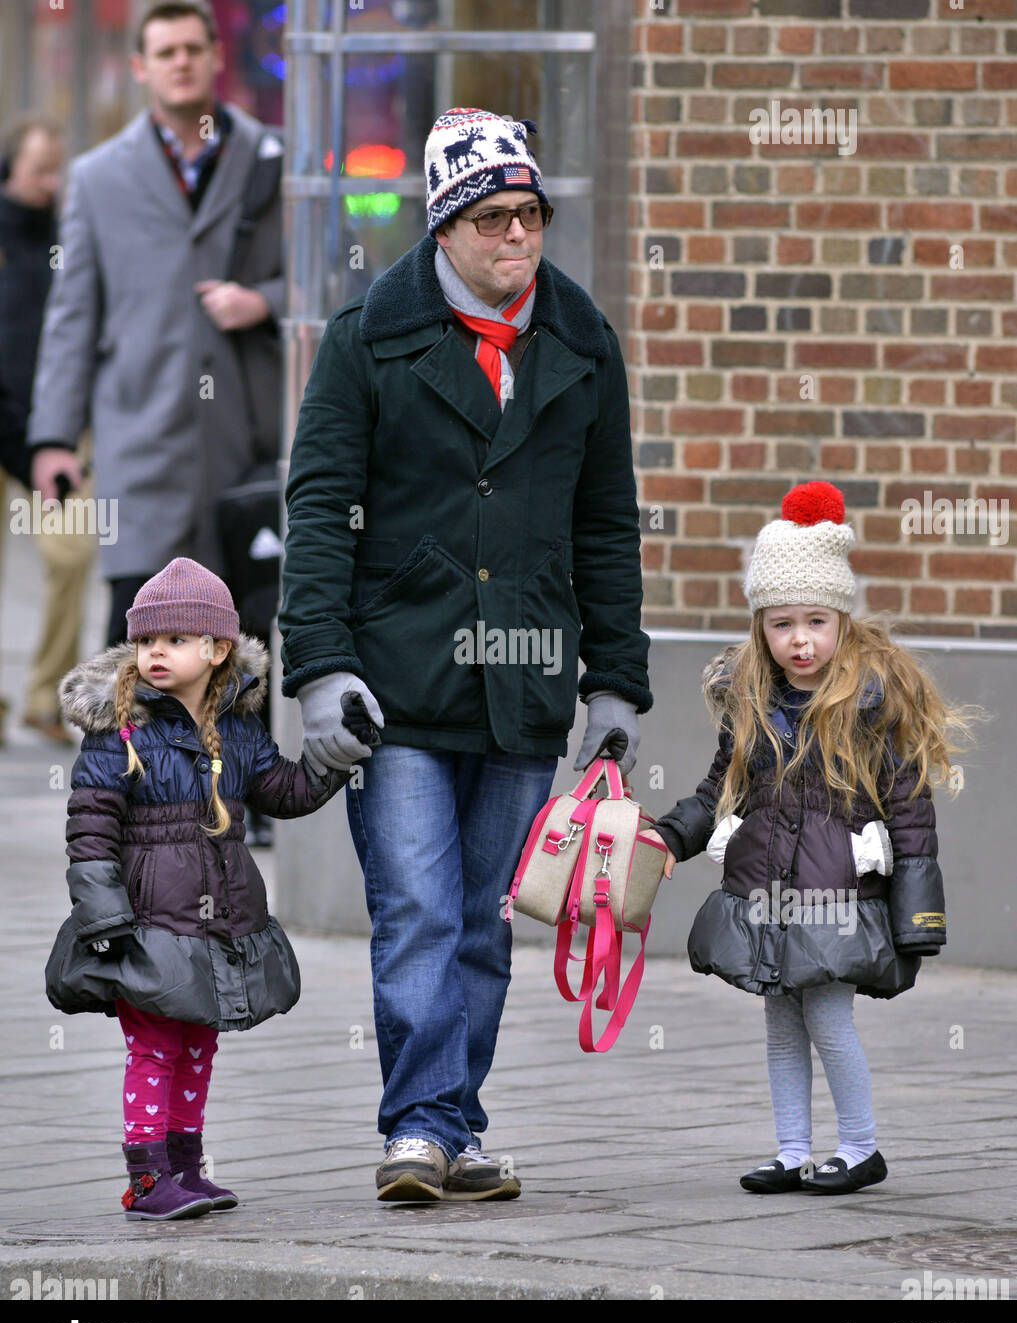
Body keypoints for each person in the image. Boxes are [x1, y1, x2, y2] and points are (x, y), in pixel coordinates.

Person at [278, 107, 652, 1202]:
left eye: (530, 215)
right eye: (492, 219)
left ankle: (450, 1119)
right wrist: (318, 667)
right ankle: (421, 1127)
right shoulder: (367, 337)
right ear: (443, 228)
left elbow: (606, 525)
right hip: (396, 685)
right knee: (420, 913)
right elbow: (316, 508)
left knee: (490, 924)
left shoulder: (583, 344)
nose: (518, 238)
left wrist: (618, 678)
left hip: (525, 683)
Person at [645, 480, 971, 1196]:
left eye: (815, 621)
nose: (799, 640)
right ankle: (792, 1148)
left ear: (841, 619)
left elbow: (910, 805)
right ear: (760, 626)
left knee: (827, 1018)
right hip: (768, 892)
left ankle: (858, 1146)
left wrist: (916, 911)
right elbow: (718, 789)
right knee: (780, 1023)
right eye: (781, 623)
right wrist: (669, 838)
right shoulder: (752, 701)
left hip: (838, 892)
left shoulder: (870, 700)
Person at [45, 557, 373, 1220]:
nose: (153, 652)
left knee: (198, 1042)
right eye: (144, 641)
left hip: (215, 921)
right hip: (144, 922)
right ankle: (146, 1180)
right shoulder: (120, 731)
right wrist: (104, 919)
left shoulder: (240, 732)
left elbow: (286, 792)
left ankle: (185, 1169)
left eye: (172, 640)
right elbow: (90, 831)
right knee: (155, 1047)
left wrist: (336, 756)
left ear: (218, 648)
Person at [25, 1, 282, 648]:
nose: (182, 63)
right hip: (140, 456)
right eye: (165, 53)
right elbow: (71, 317)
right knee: (133, 661)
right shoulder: (95, 178)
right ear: (140, 67)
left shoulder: (272, 159)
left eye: (194, 49)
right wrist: (52, 437)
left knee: (241, 659)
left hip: (245, 451)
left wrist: (264, 301)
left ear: (217, 56)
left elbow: (335, 277)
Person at [0, 111, 95, 745]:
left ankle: (42, 696)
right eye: (39, 169)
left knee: (73, 553)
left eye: (57, 170)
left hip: (52, 430)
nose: (50, 180)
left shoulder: (70, 233)